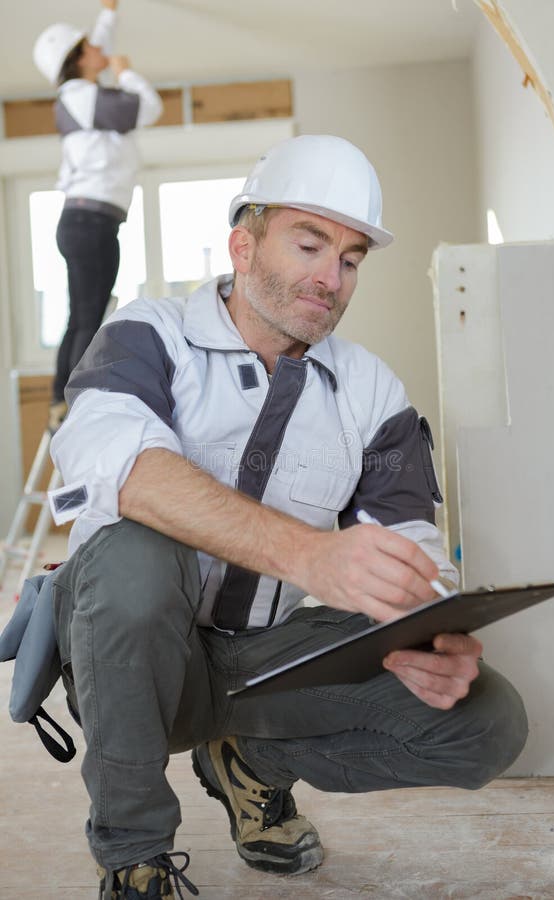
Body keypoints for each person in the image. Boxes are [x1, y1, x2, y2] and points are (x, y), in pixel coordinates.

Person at [49, 134, 528, 899]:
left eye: (349, 259)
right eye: (309, 244)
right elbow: (125, 470)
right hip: (136, 662)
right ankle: (134, 853)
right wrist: (310, 556)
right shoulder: (148, 336)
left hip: (264, 658)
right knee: (137, 553)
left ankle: (247, 762)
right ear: (244, 245)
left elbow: (411, 545)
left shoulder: (370, 391)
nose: (330, 278)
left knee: (489, 721)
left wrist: (426, 628)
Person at [33, 0, 163, 433]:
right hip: (92, 224)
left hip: (83, 222)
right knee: (88, 315)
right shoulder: (85, 97)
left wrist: (107, 16)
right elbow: (148, 108)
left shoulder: (77, 94)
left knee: (83, 314)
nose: (98, 48)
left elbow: (95, 49)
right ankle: (72, 404)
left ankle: (59, 399)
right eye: (88, 45)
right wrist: (126, 72)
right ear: (77, 58)